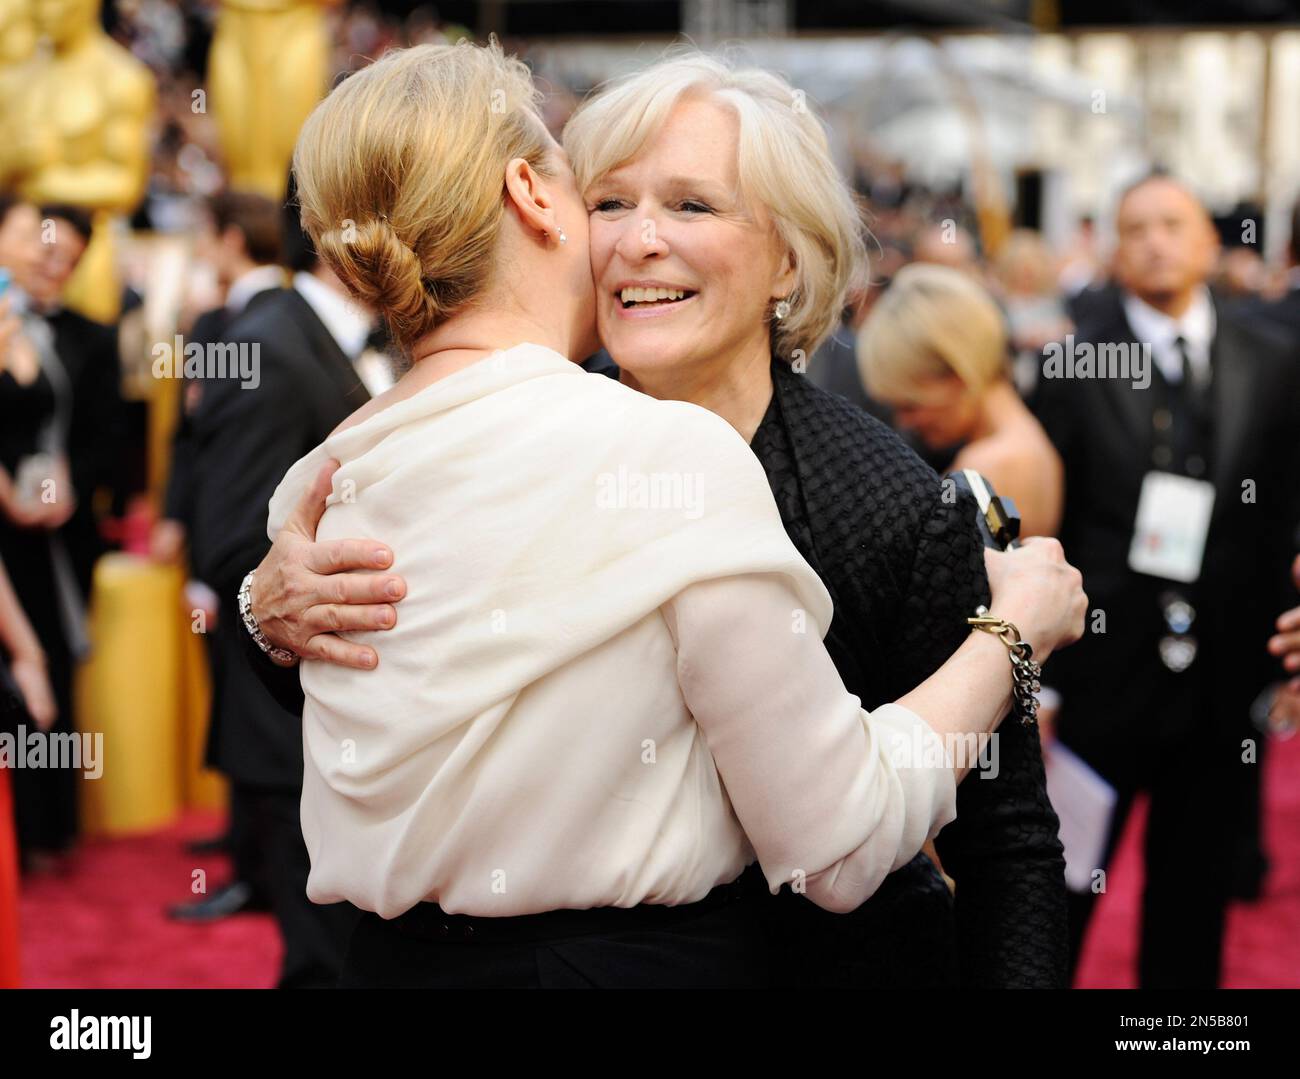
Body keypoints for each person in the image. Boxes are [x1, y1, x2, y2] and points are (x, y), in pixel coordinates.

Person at [243, 42, 1085, 989]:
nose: (638, 240)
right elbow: (396, 667)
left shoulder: (894, 503)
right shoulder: (495, 428)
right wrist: (267, 619)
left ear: (788, 260)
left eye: (692, 204)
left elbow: (1005, 845)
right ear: (547, 210)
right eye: (609, 201)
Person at [1032, 172, 1300, 987]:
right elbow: (1047, 515)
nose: (1154, 240)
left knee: (1193, 905)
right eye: (1135, 226)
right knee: (1063, 894)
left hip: (1224, 681)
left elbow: (1282, 505)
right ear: (1114, 249)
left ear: (1210, 243)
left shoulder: (1274, 358)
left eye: (1172, 223)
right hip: (1098, 678)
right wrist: (1039, 680)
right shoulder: (1074, 359)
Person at [182, 189, 370, 986]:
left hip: (346, 719)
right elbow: (228, 536)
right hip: (294, 710)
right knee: (321, 962)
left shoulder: (345, 337)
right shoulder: (267, 346)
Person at [857, 262, 1064, 539]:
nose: (905, 422)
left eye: (911, 405)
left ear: (957, 374)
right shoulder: (1028, 443)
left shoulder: (988, 467)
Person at [0, 194, 81, 867]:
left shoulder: (30, 324)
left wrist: (58, 482)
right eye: (28, 234)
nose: (41, 248)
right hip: (5, 525)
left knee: (47, 659)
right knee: (17, 668)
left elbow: (50, 426)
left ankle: (48, 828)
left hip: (38, 531)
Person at [25, 203, 125, 600]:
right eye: (47, 252)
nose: (51, 267)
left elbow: (107, 434)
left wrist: (68, 486)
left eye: (67, 261)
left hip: (65, 526)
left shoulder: (94, 339)